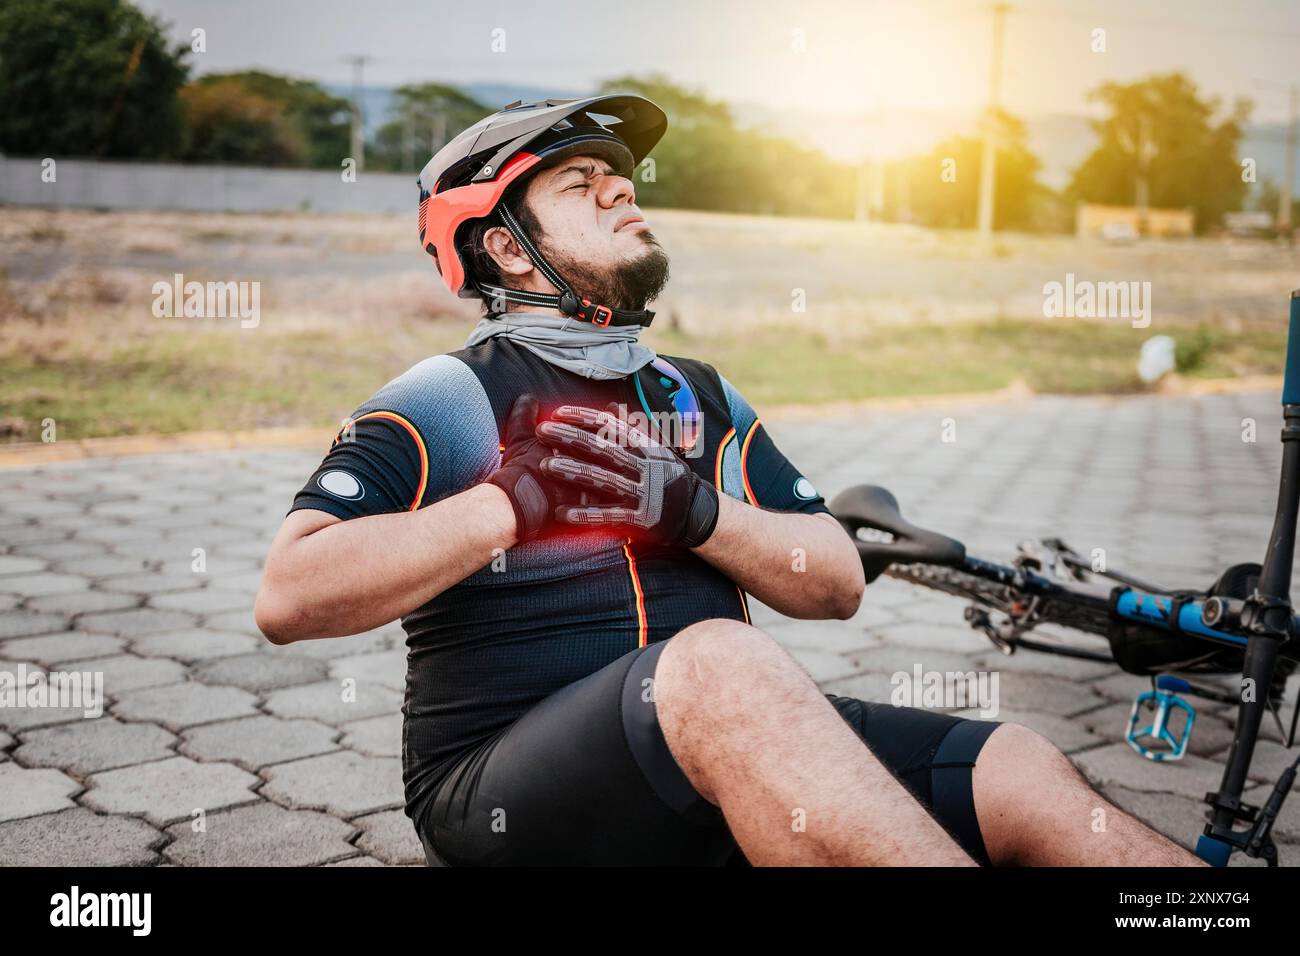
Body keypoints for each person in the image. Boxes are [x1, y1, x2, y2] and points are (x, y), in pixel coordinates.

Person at [255, 95, 1202, 866]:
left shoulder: (696, 394)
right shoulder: (450, 395)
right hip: (503, 786)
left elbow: (830, 584)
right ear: (506, 247)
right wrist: (510, 505)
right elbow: (290, 596)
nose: (624, 196)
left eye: (625, 182)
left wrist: (695, 511)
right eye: (585, 185)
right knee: (718, 664)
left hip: (718, 744)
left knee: (1021, 769)